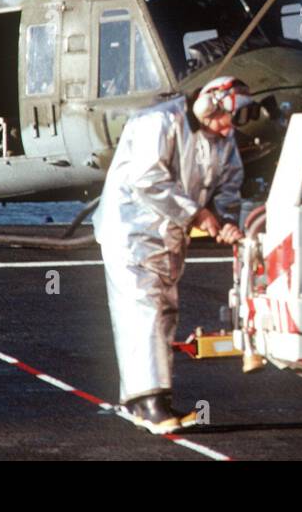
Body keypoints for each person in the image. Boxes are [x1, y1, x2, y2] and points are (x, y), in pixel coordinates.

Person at [93, 76, 252, 433]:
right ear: (210, 102)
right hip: (132, 230)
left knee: (162, 310)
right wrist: (197, 213)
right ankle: (152, 401)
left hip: (168, 237)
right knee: (144, 308)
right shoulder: (158, 122)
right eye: (224, 119)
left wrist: (226, 219)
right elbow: (147, 179)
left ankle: (142, 400)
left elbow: (229, 183)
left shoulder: (222, 138)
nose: (227, 129)